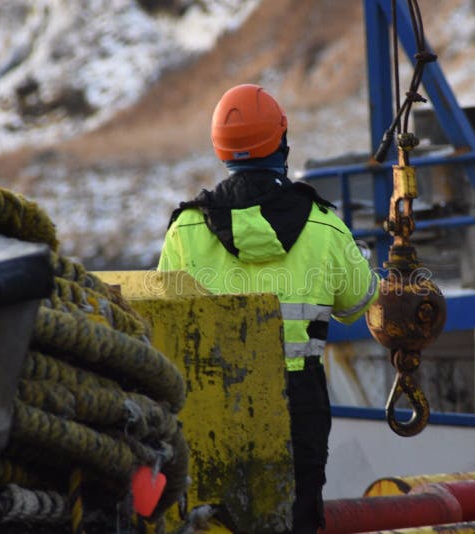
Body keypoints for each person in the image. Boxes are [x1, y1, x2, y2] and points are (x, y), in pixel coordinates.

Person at [157, 84, 379, 533]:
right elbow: (358, 303)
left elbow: (164, 316)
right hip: (298, 401)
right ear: (281, 140)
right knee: (296, 514)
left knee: (210, 513)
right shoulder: (323, 226)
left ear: (222, 146)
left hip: (211, 395)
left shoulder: (186, 230)